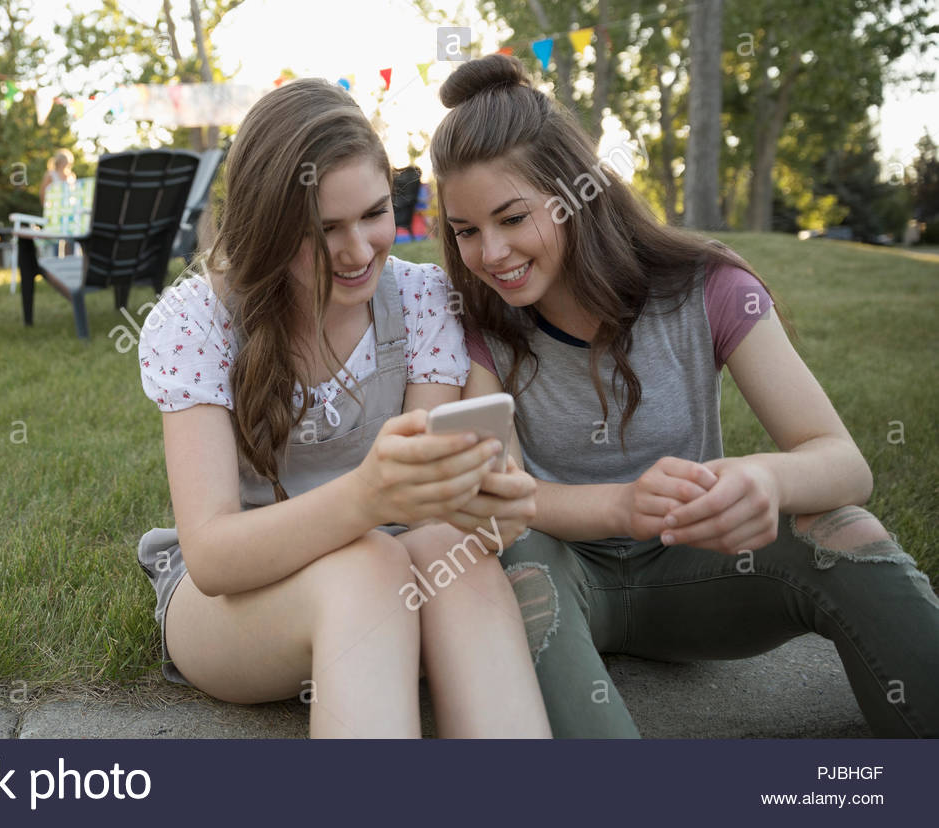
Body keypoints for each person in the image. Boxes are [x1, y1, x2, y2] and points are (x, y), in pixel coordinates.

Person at [430, 53, 939, 738]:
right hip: (562, 576)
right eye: (465, 231)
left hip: (697, 575)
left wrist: (762, 478)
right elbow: (501, 499)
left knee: (845, 529)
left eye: (512, 218)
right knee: (517, 562)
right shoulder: (477, 322)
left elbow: (845, 465)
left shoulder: (710, 286)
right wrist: (620, 504)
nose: (490, 253)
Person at [135, 79, 550, 739]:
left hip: (397, 574)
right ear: (267, 228)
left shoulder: (420, 301)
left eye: (374, 214)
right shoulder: (201, 318)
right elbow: (212, 556)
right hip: (236, 601)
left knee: (450, 551)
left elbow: (429, 513)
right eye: (323, 231)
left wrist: (488, 508)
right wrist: (366, 496)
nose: (359, 253)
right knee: (367, 566)